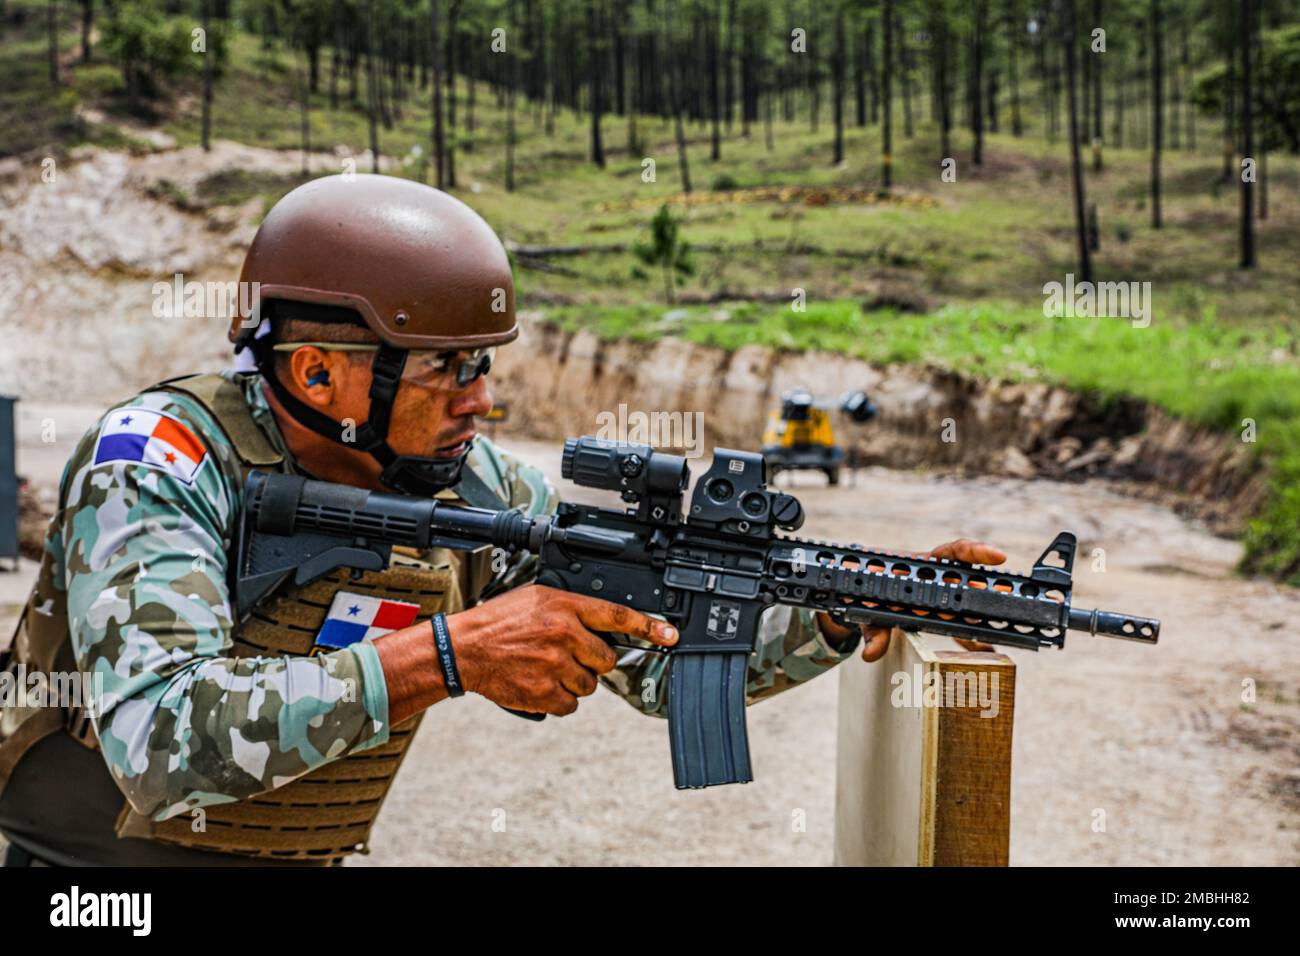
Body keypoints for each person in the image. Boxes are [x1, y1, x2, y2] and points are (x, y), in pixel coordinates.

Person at [0, 175, 1005, 866]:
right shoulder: (160, 459)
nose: (483, 396)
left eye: (486, 362)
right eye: (452, 365)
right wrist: (451, 652)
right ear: (318, 371)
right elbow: (159, 737)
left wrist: (835, 607)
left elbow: (657, 663)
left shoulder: (471, 485)